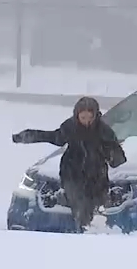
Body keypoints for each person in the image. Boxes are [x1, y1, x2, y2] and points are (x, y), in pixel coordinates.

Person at [12, 97, 126, 232]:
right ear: (76, 115)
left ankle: (96, 232)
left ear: (96, 115)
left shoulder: (104, 131)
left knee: (97, 211)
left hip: (97, 177)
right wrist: (27, 136)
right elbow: (53, 137)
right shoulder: (70, 127)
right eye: (83, 118)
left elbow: (118, 158)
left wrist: (109, 152)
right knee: (81, 207)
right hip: (72, 175)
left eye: (90, 118)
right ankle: (80, 231)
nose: (86, 121)